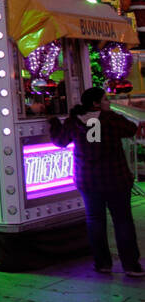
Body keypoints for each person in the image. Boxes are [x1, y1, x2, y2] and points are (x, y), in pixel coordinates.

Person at [50, 86, 144, 276]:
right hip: (116, 178)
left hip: (88, 180)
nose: (108, 102)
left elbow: (60, 141)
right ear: (96, 103)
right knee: (123, 221)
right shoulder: (111, 119)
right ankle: (130, 265)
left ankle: (102, 263)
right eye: (105, 99)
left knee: (95, 220)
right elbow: (131, 129)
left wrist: (53, 123)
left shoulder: (74, 121)